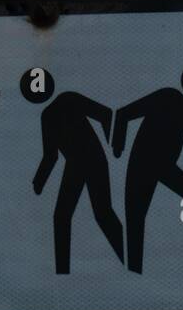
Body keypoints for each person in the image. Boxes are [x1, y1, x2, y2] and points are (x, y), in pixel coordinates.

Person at [112, 63, 183, 273]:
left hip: (165, 167)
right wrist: (117, 144)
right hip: (141, 165)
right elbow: (124, 113)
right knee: (135, 219)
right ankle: (133, 271)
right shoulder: (166, 96)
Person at [24, 70, 124, 274]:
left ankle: (129, 260)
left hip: (94, 160)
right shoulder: (47, 115)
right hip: (75, 164)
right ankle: (62, 272)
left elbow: (105, 114)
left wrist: (114, 144)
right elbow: (50, 156)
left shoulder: (67, 99)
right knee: (61, 216)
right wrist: (38, 183)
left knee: (103, 214)